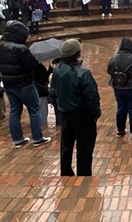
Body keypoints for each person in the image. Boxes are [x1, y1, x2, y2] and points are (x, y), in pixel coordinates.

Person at [50, 39, 101, 176]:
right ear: (77, 53)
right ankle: (83, 175)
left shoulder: (57, 70)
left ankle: (66, 173)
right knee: (84, 147)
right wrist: (95, 114)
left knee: (66, 145)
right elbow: (92, 97)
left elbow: (53, 93)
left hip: (65, 114)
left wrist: (60, 107)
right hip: (82, 115)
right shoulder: (83, 72)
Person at [0, 21, 51, 148]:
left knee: (15, 110)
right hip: (24, 84)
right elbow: (32, 65)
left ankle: (17, 139)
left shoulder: (2, 47)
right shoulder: (21, 49)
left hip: (8, 84)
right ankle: (38, 138)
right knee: (34, 109)